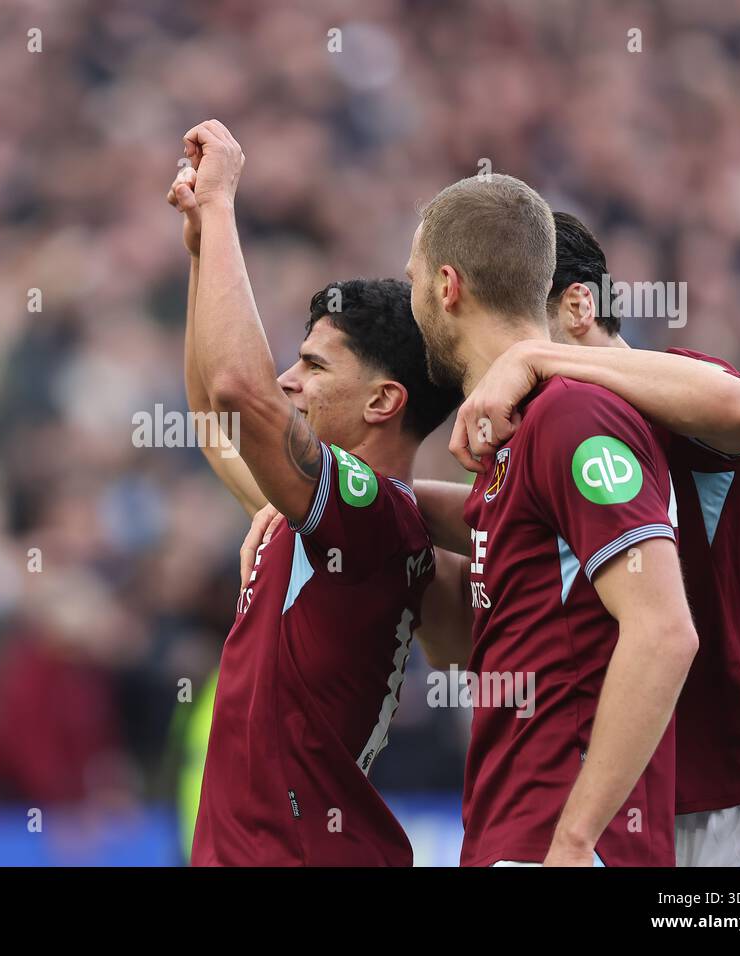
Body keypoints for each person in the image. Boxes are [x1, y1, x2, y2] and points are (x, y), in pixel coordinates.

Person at [443, 211, 740, 866]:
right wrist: (349, 498)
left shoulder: (679, 392)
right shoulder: (565, 440)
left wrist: (532, 356)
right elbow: (500, 521)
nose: (499, 364)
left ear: (577, 306)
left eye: (517, 329)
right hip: (674, 813)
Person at [171, 120, 461, 865]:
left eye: (315, 366)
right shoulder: (300, 517)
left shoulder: (372, 516)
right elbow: (213, 419)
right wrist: (203, 242)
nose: (290, 381)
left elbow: (240, 392)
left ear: (382, 402)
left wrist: (227, 201)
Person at [403, 175, 699, 866]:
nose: (411, 301)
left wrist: (575, 839)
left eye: (412, 278)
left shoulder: (574, 416)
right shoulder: (525, 429)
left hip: (558, 840)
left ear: (448, 287)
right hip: (513, 828)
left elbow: (663, 630)